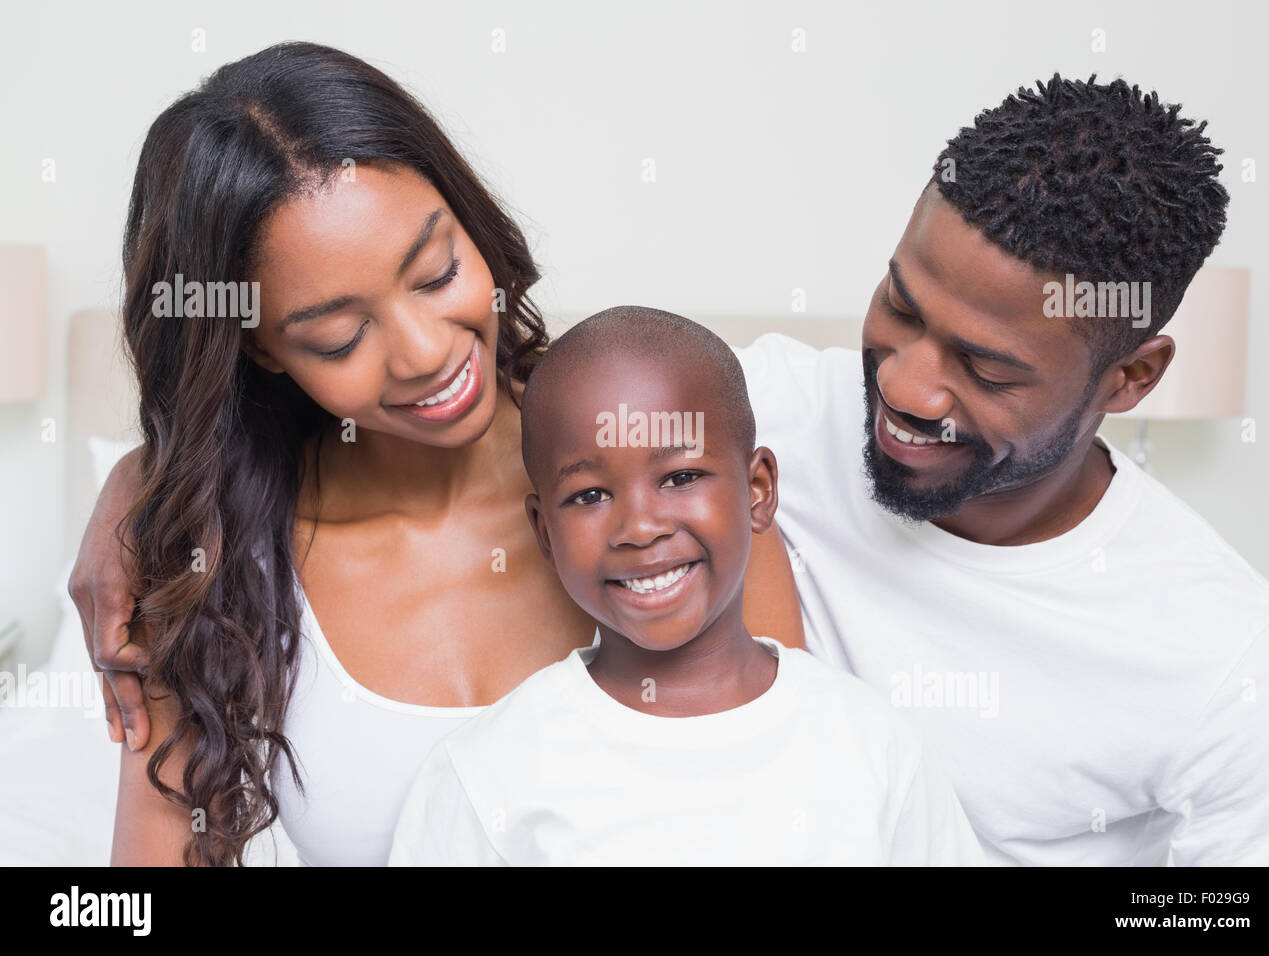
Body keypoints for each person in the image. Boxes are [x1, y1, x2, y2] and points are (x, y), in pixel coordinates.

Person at [74, 42, 802, 866]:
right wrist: (146, 482)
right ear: (263, 350)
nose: (424, 353)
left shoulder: (679, 474)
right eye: (341, 336)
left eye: (435, 272)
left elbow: (804, 790)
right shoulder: (207, 568)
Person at [734, 75, 1269, 864]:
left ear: (1129, 379)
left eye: (984, 368)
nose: (904, 386)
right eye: (901, 306)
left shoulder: (1232, 664)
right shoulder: (743, 417)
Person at [388, 306, 984, 866]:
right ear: (544, 532)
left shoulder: (874, 748)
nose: (640, 527)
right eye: (589, 495)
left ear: (757, 490)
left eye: (680, 476)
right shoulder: (486, 771)